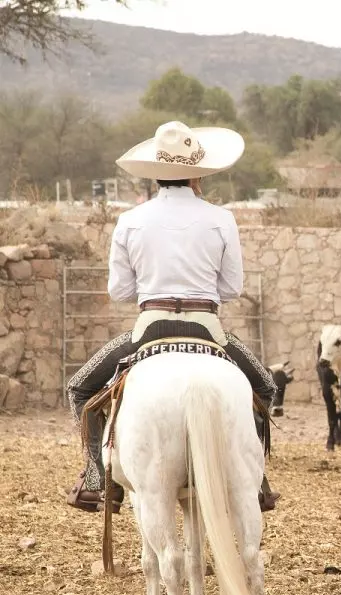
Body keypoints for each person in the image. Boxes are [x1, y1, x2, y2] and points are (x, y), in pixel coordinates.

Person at [65, 121, 281, 514]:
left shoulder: (130, 220)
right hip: (209, 330)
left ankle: (99, 480)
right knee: (265, 387)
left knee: (79, 389)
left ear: (155, 171)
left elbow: (120, 291)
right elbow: (230, 289)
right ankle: (258, 480)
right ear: (198, 172)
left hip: (149, 328)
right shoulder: (222, 219)